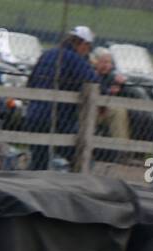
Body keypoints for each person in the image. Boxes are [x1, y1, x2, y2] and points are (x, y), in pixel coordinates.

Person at [25, 25, 99, 170]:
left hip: (34, 115)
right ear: (83, 44)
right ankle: (77, 185)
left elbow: (31, 82)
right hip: (58, 118)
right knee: (81, 156)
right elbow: (93, 82)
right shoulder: (75, 59)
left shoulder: (47, 54)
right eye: (88, 47)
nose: (87, 51)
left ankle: (36, 185)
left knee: (39, 159)